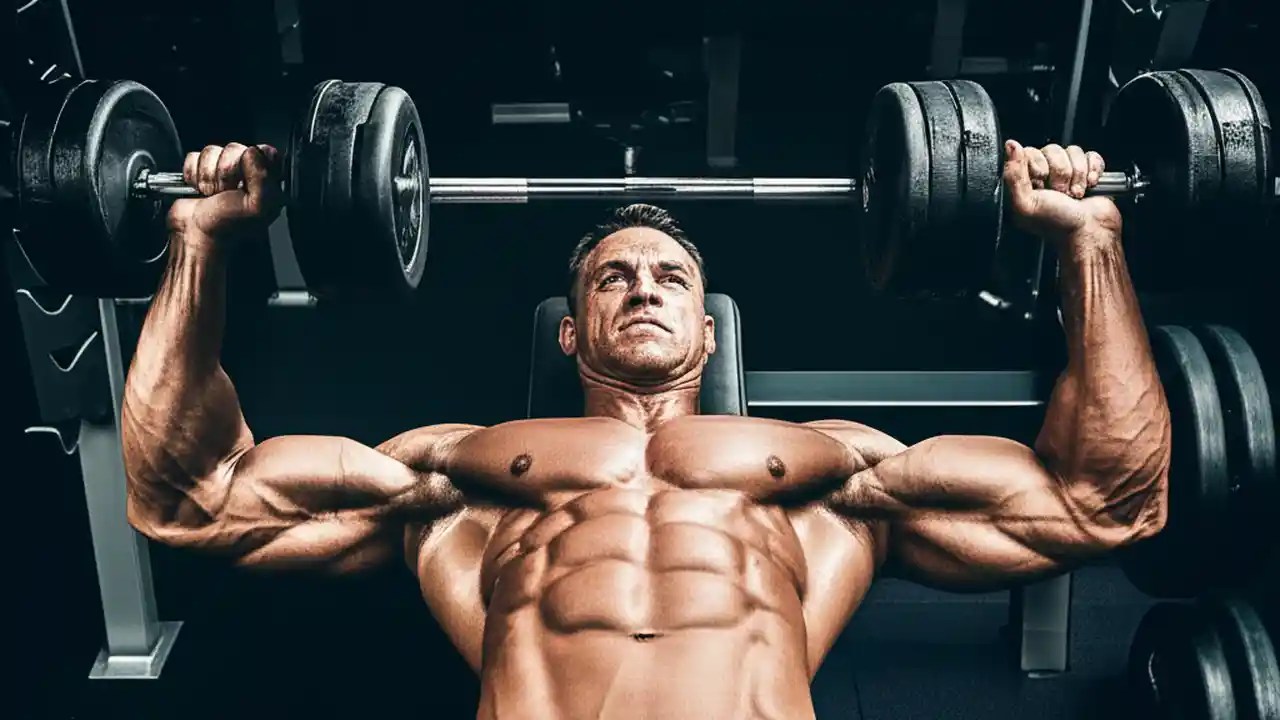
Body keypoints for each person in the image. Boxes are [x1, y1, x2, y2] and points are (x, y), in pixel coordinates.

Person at [121, 139, 1170, 720]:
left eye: (669, 276)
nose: (642, 286)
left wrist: (1089, 239)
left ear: (707, 335)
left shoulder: (831, 476)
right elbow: (191, 497)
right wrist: (198, 240)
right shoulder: (458, 474)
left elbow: (1102, 502)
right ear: (571, 329)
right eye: (612, 275)